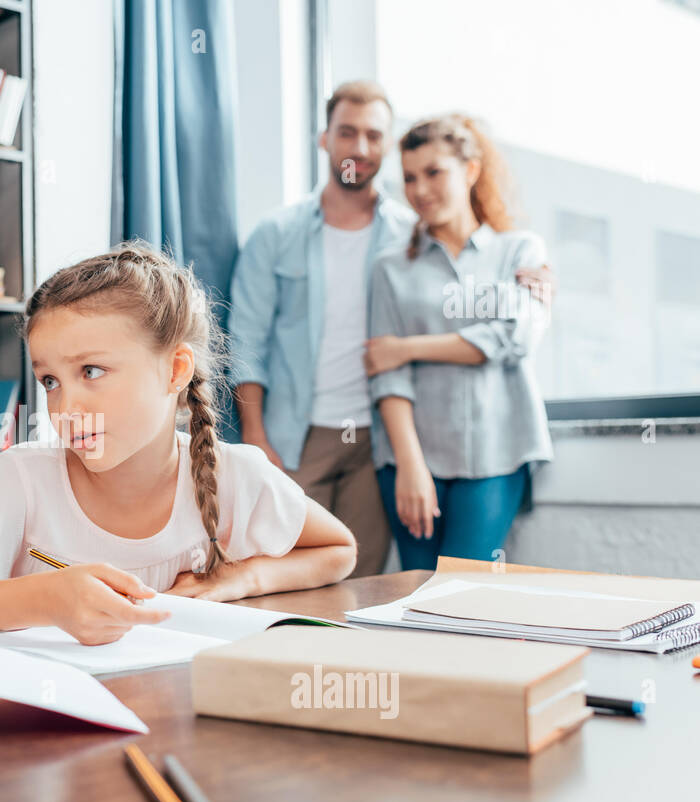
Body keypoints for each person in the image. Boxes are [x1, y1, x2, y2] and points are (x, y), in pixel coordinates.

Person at [0, 242, 357, 646]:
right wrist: (43, 599)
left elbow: (339, 550)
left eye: (91, 371)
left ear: (175, 370)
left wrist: (245, 576)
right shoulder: (24, 478)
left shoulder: (233, 474)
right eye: (50, 381)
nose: (65, 407)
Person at [229, 80, 551, 577]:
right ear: (324, 138)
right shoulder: (285, 235)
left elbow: (509, 330)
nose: (360, 147)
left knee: (369, 583)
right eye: (347, 132)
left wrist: (405, 348)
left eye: (374, 135)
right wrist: (256, 438)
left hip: (376, 440)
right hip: (300, 436)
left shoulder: (412, 233)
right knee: (283, 575)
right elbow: (246, 340)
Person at [365, 114, 554, 570]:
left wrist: (407, 346)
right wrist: (410, 466)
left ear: (470, 171)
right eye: (410, 177)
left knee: (466, 590)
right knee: (414, 590)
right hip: (410, 460)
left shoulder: (521, 252)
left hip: (497, 454)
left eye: (434, 172)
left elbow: (514, 337)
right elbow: (387, 375)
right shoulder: (390, 268)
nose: (420, 189)